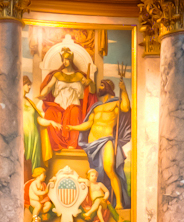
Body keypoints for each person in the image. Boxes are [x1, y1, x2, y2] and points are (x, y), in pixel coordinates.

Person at [38, 77, 132, 211]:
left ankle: (119, 203)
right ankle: (98, 201)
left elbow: (126, 107)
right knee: (95, 174)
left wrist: (123, 90)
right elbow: (88, 124)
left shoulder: (116, 103)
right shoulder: (96, 107)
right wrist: (72, 127)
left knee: (110, 169)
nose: (98, 88)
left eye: (101, 85)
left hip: (106, 140)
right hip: (93, 143)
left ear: (107, 87)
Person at [37, 47, 95, 155]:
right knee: (50, 113)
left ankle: (71, 145)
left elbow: (92, 91)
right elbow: (49, 86)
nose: (65, 62)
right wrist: (42, 94)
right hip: (59, 104)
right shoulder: (57, 75)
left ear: (71, 60)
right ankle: (56, 145)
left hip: (73, 104)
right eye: (63, 59)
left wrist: (90, 82)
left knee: (75, 113)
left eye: (67, 59)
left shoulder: (79, 76)